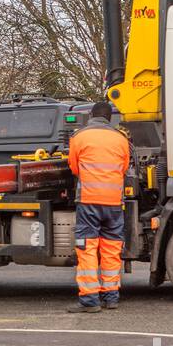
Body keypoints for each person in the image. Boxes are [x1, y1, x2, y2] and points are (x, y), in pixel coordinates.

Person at [67, 100, 130, 312]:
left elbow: (74, 168)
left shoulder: (79, 137)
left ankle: (90, 301)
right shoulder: (121, 139)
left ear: (91, 116)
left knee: (87, 249)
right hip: (113, 202)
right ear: (110, 118)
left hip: (89, 201)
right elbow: (124, 167)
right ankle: (111, 297)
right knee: (111, 250)